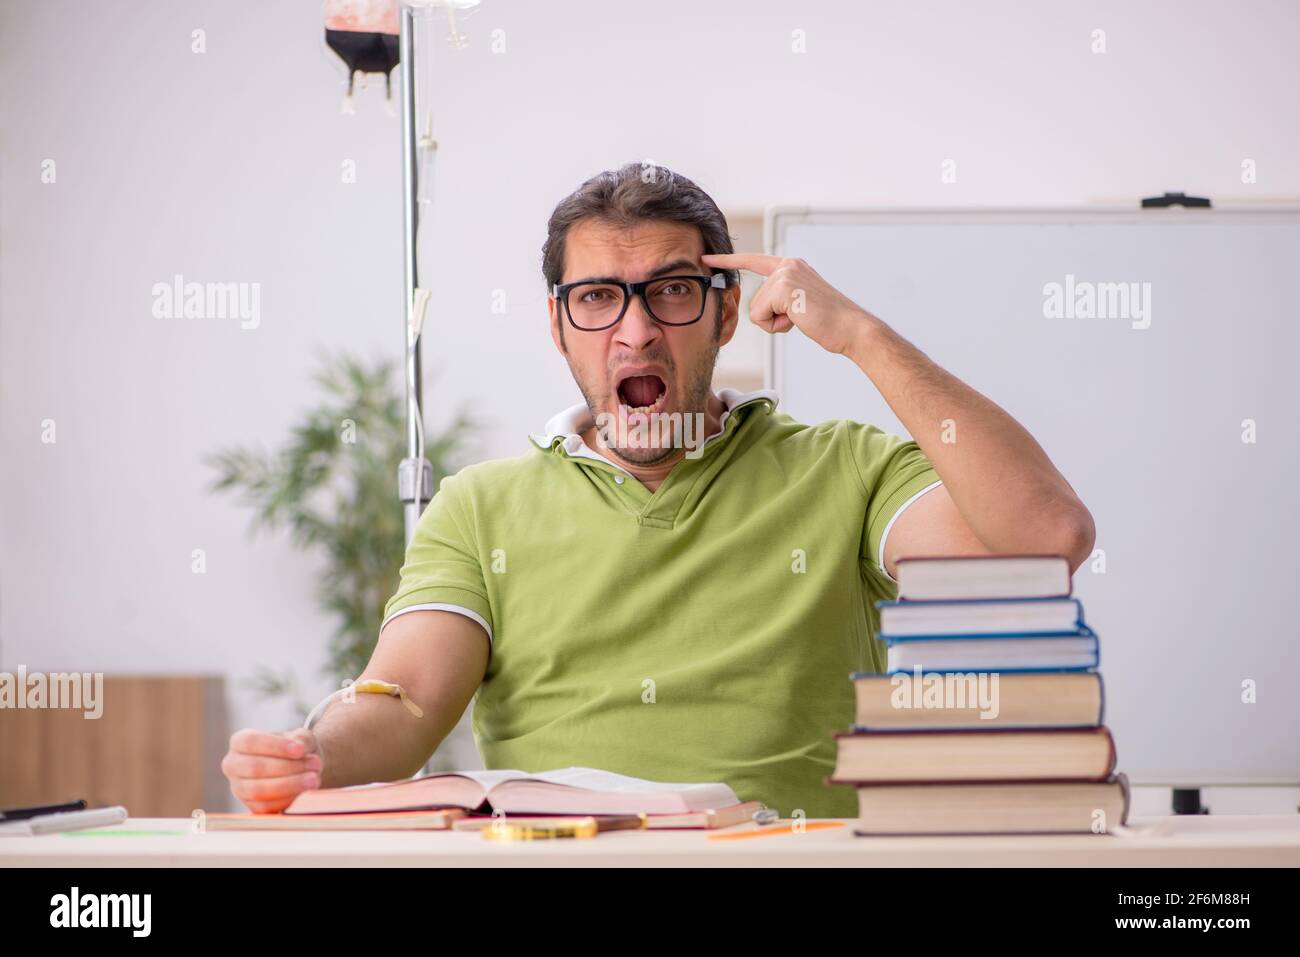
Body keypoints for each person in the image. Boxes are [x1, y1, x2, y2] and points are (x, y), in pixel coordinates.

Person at [222, 163, 1095, 818]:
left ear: (724, 313)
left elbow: (1045, 535)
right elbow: (404, 700)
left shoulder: (849, 470)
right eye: (598, 298)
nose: (635, 332)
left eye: (672, 292)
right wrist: (311, 754)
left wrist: (862, 336)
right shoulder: (479, 505)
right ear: (559, 325)